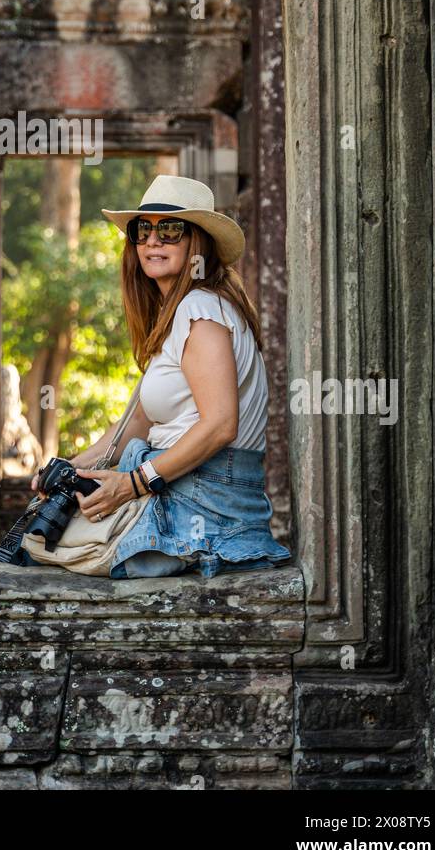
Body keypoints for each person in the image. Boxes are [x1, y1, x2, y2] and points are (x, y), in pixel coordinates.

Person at [26, 174, 291, 580]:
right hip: (183, 488)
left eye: (169, 229)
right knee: (42, 531)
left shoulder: (201, 309)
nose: (153, 240)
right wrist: (71, 467)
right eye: (141, 230)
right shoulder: (180, 315)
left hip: (203, 500)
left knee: (40, 555)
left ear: (197, 242)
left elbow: (221, 424)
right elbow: (137, 423)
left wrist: (134, 483)